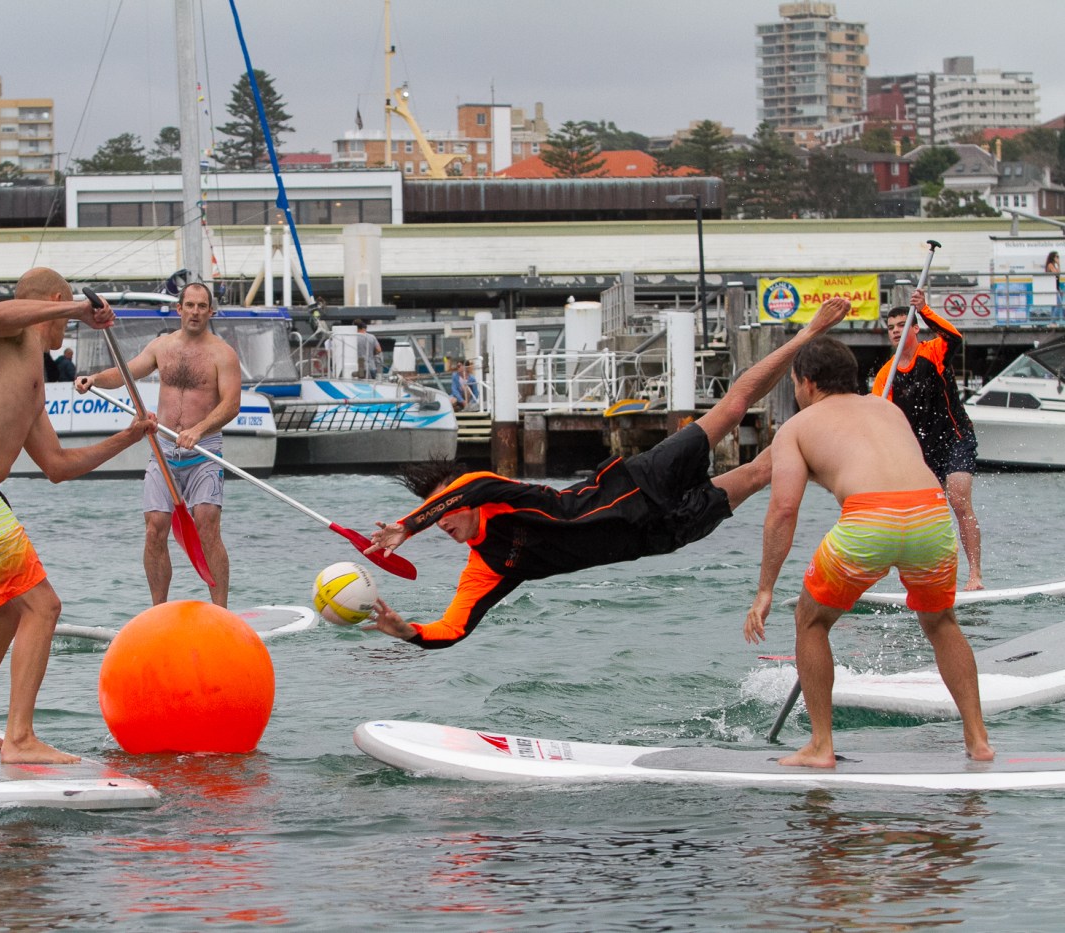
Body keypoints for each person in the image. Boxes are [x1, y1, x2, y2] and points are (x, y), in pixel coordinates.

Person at [363, 297, 851, 649]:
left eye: (444, 507)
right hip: (662, 533)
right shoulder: (486, 568)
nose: (444, 520)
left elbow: (468, 487)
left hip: (638, 480)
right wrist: (409, 632)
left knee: (732, 407)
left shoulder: (493, 495)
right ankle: (827, 434)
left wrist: (408, 525)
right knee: (759, 472)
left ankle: (805, 337)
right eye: (437, 515)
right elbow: (454, 628)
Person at [0, 267, 157, 764]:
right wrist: (77, 309)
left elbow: (59, 467)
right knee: (43, 608)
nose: (67, 329)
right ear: (52, 302)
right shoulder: (12, 334)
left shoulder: (31, 380)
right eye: (64, 317)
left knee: (9, 613)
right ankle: (20, 739)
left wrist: (128, 438)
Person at [744, 335, 993, 768]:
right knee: (941, 623)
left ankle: (821, 746)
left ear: (806, 383)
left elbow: (784, 511)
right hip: (931, 516)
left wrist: (764, 590)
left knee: (811, 620)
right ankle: (978, 740)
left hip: (869, 522)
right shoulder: (887, 408)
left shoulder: (796, 428)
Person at [76, 281, 240, 607]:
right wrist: (94, 380)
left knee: (207, 526)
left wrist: (200, 428)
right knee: (155, 528)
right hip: (163, 451)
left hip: (203, 452)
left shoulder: (223, 354)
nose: (195, 311)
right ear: (179, 309)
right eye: (189, 305)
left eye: (201, 306)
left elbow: (231, 405)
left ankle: (221, 612)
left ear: (210, 311)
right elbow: (126, 373)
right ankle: (159, 611)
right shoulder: (161, 346)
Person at [871, 290, 983, 590]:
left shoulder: (933, 352)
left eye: (901, 324)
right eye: (891, 327)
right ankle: (933, 579)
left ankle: (975, 576)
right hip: (922, 452)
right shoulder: (887, 375)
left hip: (956, 437)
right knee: (925, 516)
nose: (895, 330)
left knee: (958, 500)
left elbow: (955, 338)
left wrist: (925, 309)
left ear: (914, 328)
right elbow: (879, 418)